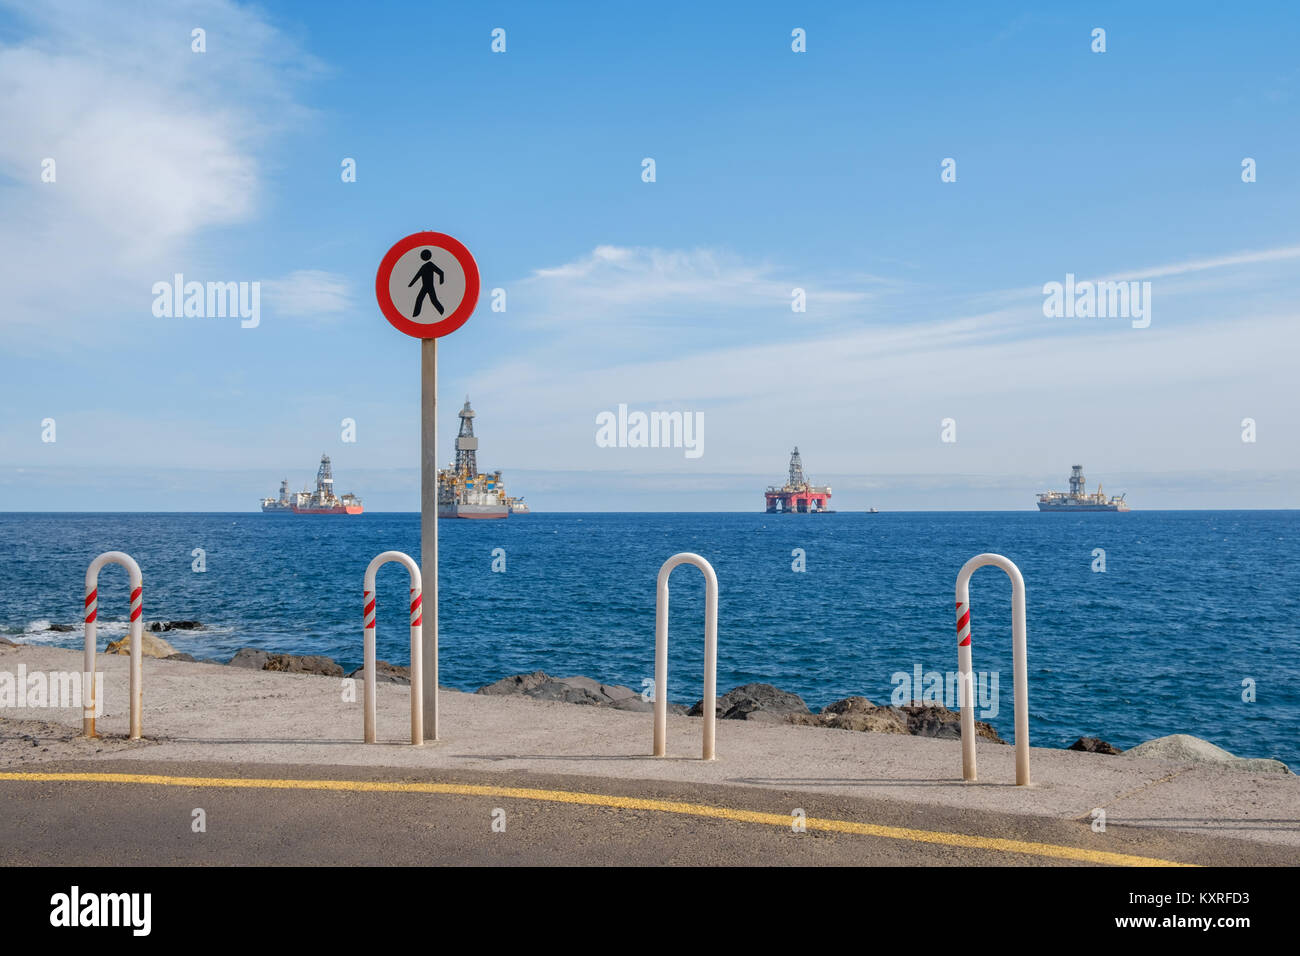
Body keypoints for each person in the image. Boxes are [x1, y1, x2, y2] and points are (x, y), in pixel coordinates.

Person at [408, 249, 445, 317]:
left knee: (433, 300)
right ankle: (415, 315)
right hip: (424, 286)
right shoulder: (423, 267)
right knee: (419, 299)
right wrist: (411, 284)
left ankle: (442, 312)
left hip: (430, 286)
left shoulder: (430, 264)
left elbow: (441, 272)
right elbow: (417, 276)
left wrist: (441, 282)